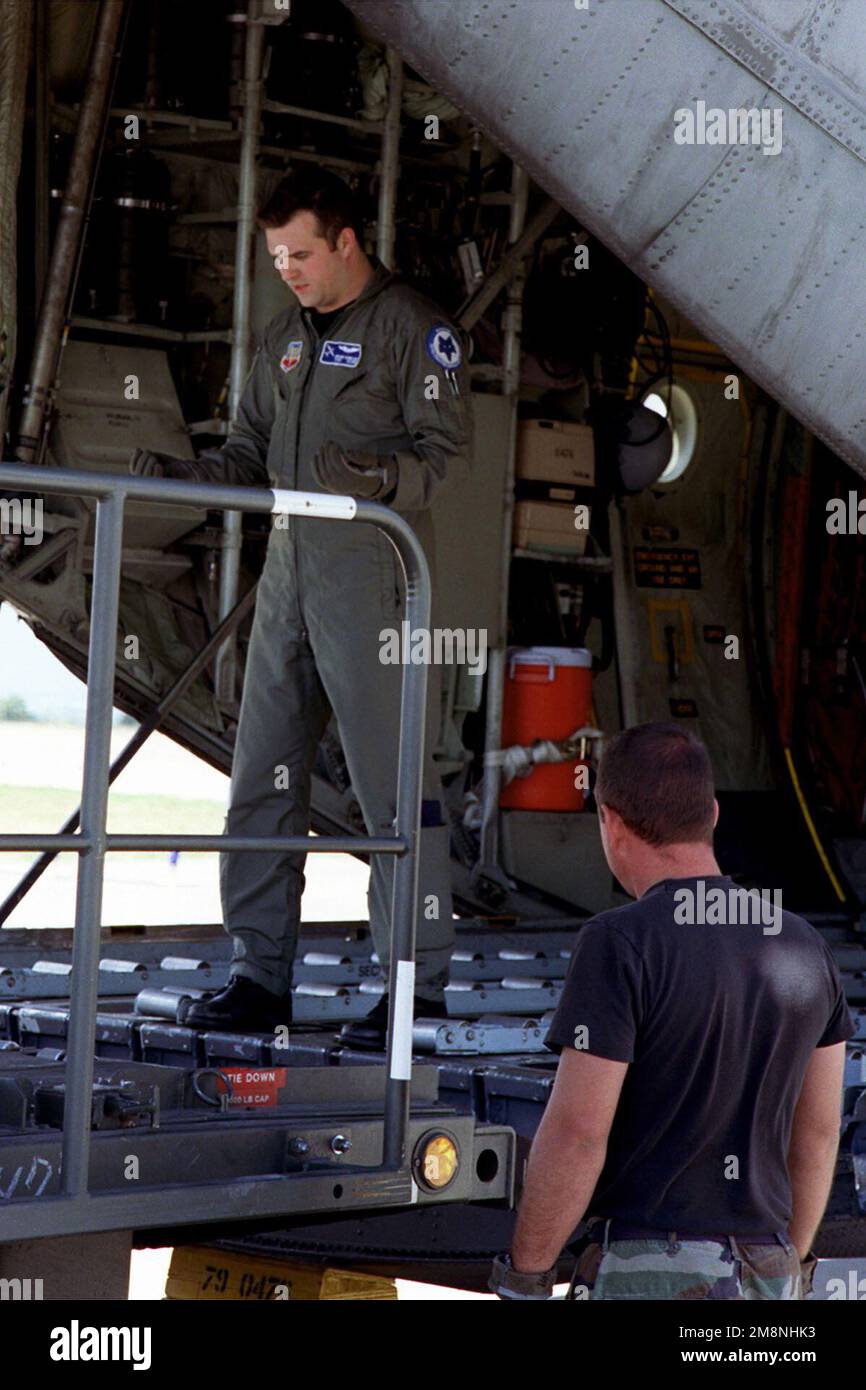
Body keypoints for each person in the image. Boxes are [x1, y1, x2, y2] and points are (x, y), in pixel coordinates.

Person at [130, 169, 472, 1043]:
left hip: (373, 571)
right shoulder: (284, 338)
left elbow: (447, 455)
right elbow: (247, 451)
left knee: (396, 792)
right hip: (288, 571)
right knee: (262, 777)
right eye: (277, 254)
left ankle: (414, 989)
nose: (288, 267)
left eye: (302, 252)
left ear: (346, 241)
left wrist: (378, 480)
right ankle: (258, 975)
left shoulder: (414, 330)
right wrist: (184, 478)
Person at [489, 721, 855, 1300]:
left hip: (650, 1270)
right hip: (769, 1270)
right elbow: (817, 1132)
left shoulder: (619, 942)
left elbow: (578, 1135)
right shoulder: (805, 945)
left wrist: (526, 1276)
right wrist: (793, 1262)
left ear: (609, 821)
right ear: (711, 813)